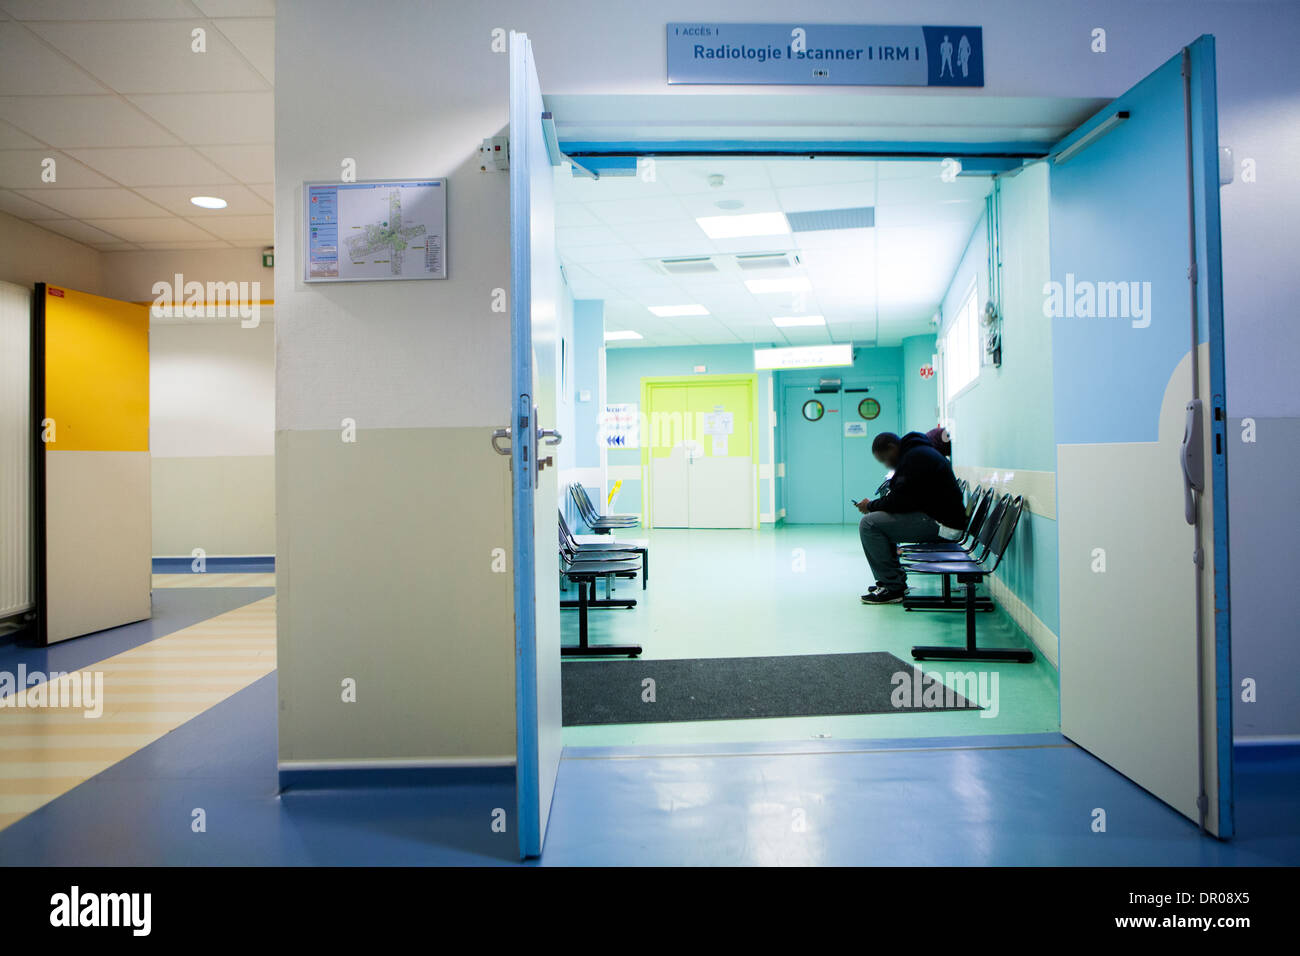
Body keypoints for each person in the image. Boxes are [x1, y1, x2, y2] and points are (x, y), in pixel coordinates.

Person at [856, 431, 966, 604]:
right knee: (879, 519)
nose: (886, 464)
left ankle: (893, 588)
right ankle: (893, 582)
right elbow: (904, 498)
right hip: (938, 518)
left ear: (892, 448)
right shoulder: (916, 453)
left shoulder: (915, 458)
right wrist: (876, 506)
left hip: (944, 525)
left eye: (885, 459)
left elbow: (900, 501)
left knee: (869, 523)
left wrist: (870, 506)